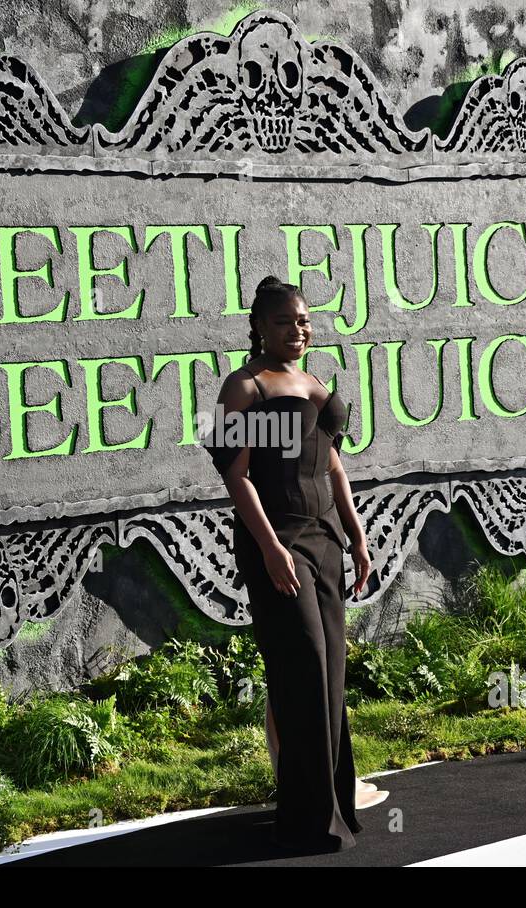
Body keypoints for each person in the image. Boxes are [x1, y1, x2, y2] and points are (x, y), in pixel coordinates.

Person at [201, 275, 384, 853]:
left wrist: (357, 538)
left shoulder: (313, 379)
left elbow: (333, 468)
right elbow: (237, 477)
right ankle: (305, 816)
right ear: (259, 326)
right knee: (301, 661)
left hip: (326, 537)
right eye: (285, 322)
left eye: (304, 320)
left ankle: (331, 805)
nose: (298, 330)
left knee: (329, 670)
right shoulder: (244, 387)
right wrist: (271, 549)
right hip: (277, 539)